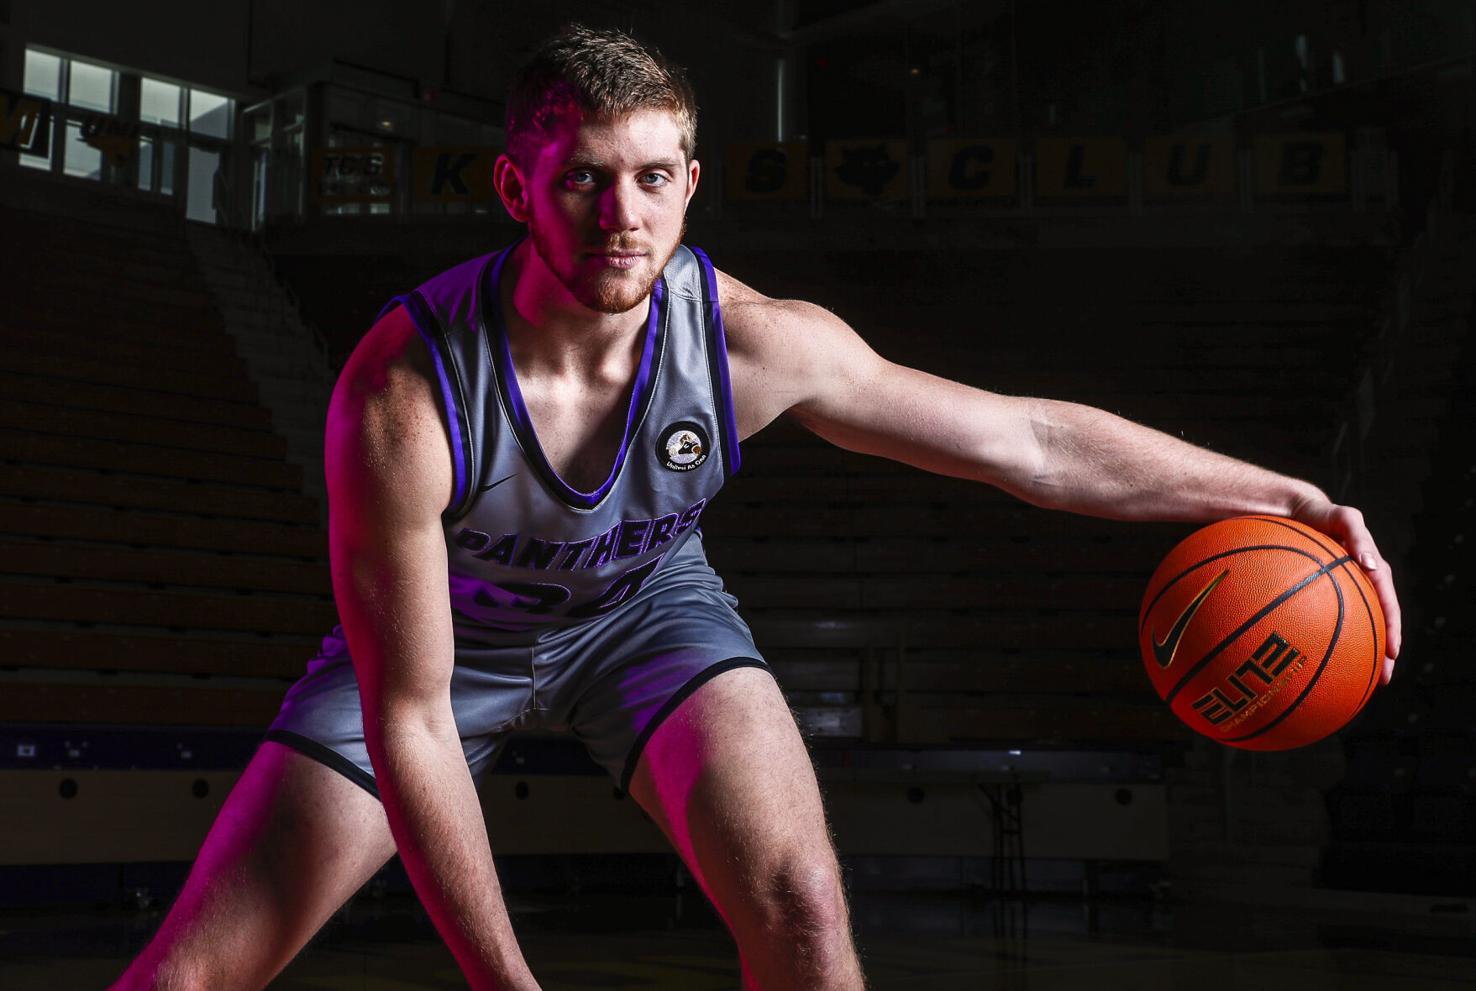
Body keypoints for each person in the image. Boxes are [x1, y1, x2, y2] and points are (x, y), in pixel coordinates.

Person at [113, 23, 1402, 991]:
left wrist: (1284, 494)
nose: (622, 216)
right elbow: (412, 713)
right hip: (448, 644)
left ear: (691, 181)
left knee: (804, 907)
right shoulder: (403, 398)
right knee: (188, 978)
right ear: (517, 189)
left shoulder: (753, 344)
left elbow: (1029, 443)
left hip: (644, 612)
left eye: (652, 177)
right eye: (583, 180)